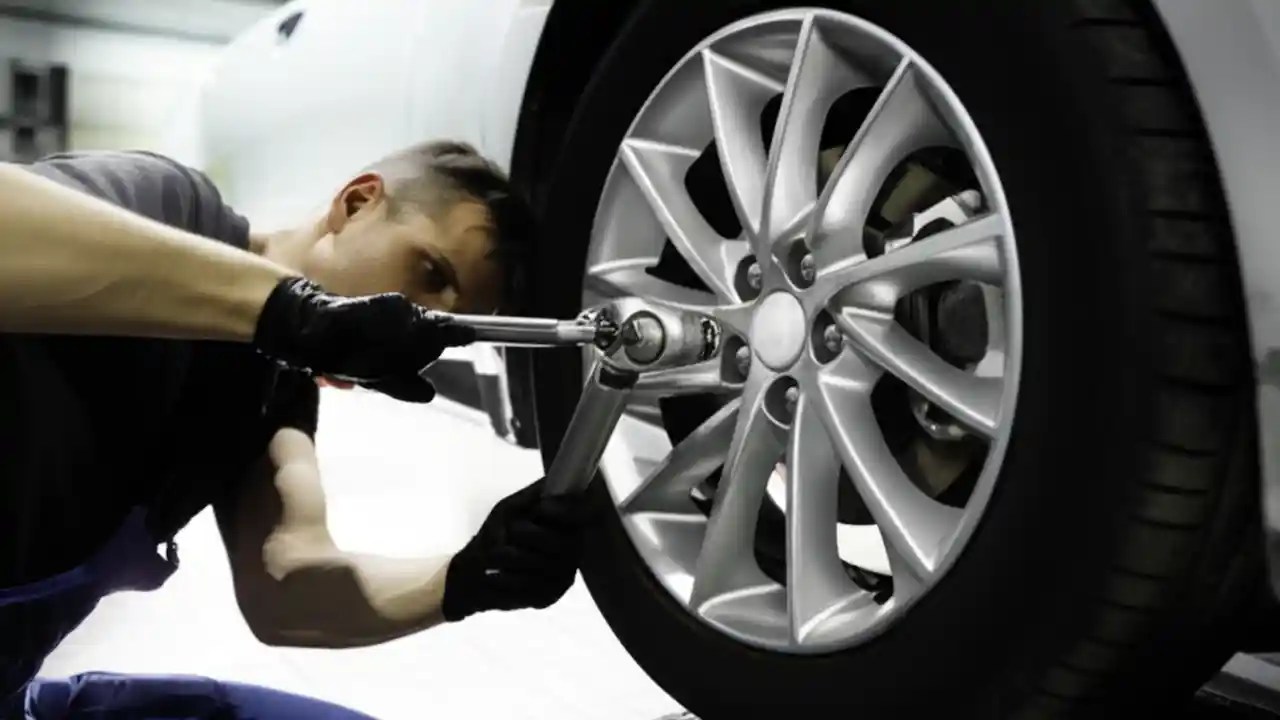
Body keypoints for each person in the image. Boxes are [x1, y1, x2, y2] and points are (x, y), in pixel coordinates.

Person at [0, 142, 589, 719]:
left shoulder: (275, 397)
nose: (418, 324)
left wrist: (466, 577)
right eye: (429, 273)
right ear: (356, 203)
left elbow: (286, 589)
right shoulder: (172, 205)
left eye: (444, 327)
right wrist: (290, 313)